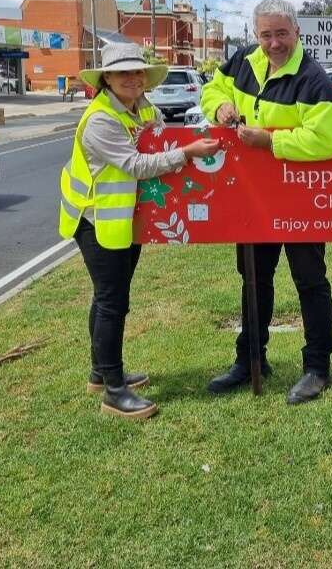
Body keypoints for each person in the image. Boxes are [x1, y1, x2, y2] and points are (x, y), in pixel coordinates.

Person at [59, 43, 220, 419]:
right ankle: (114, 391)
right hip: (97, 219)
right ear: (107, 80)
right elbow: (136, 165)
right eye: (123, 73)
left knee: (108, 298)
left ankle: (101, 372)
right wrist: (187, 153)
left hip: (122, 219)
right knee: (112, 301)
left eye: (137, 73)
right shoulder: (101, 119)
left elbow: (158, 131)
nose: (132, 79)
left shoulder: (140, 107)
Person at [200, 0, 332, 405]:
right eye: (266, 34)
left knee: (310, 282)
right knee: (253, 279)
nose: (274, 42)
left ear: (297, 32)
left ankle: (317, 367)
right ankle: (250, 361)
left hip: (301, 201)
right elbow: (212, 88)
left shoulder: (315, 79)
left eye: (281, 33)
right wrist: (221, 105)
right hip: (253, 199)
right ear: (255, 35)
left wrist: (270, 141)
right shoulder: (244, 60)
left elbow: (328, 139)